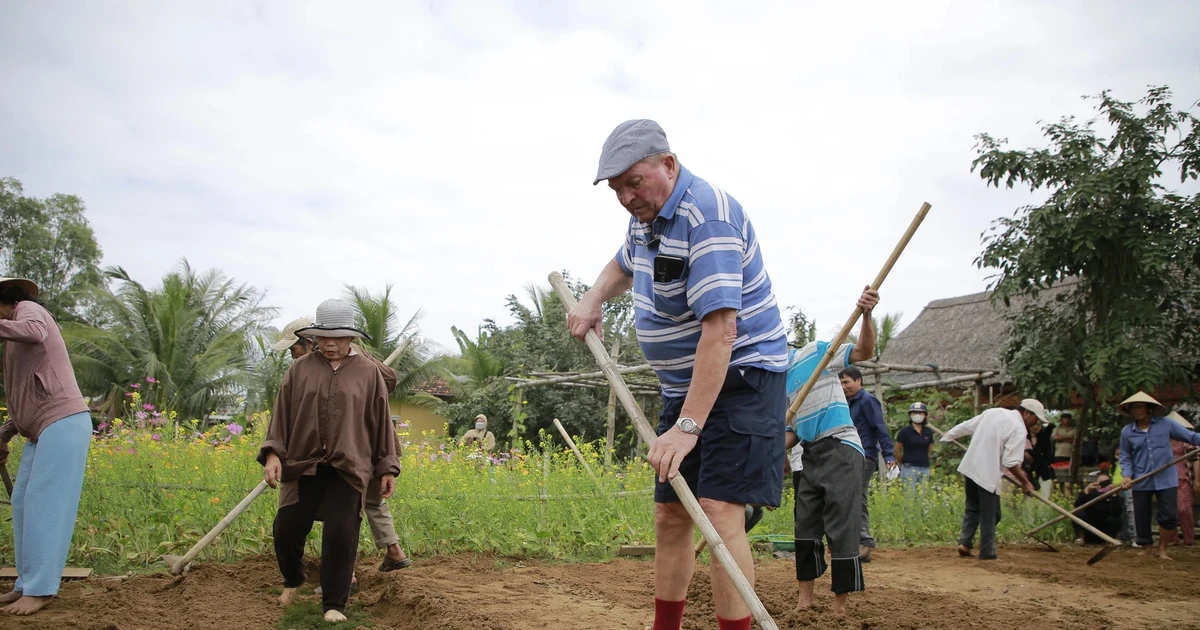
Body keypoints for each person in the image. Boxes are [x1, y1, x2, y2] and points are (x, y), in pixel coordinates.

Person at [568, 119, 788, 630]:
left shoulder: (706, 216)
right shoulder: (648, 216)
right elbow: (625, 262)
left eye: (633, 182)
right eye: (616, 189)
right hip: (687, 384)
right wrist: (594, 295)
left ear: (668, 165)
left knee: (717, 511)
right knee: (670, 514)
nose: (625, 197)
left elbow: (721, 332)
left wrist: (687, 427)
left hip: (742, 378)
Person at [259, 299, 401, 623]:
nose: (331, 344)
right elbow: (281, 417)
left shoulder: (368, 373)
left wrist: (387, 467)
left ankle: (334, 603)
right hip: (304, 464)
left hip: (349, 467)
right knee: (286, 528)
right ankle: (294, 578)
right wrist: (272, 455)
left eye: (338, 337)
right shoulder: (299, 369)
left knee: (341, 534)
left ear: (352, 338)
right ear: (314, 337)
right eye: (324, 337)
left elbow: (380, 422)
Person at [0, 278, 92, 616]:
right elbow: (28, 394)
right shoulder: (11, 338)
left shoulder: (30, 311)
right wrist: (5, 432)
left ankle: (40, 589)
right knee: (23, 500)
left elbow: (36, 332)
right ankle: (25, 583)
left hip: (64, 422)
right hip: (42, 428)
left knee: (44, 502)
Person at [785, 287, 879, 617]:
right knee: (805, 527)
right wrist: (774, 453)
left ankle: (840, 607)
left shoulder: (815, 354)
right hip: (810, 454)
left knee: (841, 526)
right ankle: (805, 601)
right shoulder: (777, 383)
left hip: (841, 447)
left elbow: (865, 351)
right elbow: (793, 431)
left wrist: (866, 314)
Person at [940, 399, 1043, 560]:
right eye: (1036, 418)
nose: (1036, 423)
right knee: (990, 514)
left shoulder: (994, 412)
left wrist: (949, 435)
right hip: (988, 472)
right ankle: (987, 552)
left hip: (971, 465)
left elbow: (968, 425)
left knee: (974, 508)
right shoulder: (1019, 429)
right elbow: (1011, 462)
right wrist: (1025, 482)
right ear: (1028, 413)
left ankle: (965, 543)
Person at [1117, 391, 1200, 560]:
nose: (1136, 410)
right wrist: (1126, 476)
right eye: (1133, 408)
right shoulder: (1127, 432)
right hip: (1142, 478)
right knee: (1142, 515)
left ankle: (1162, 549)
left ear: (1149, 409)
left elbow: (1191, 437)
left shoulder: (1166, 424)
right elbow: (1125, 457)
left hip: (1166, 478)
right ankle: (1146, 548)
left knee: (1168, 515)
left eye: (1139, 406)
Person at [839, 365, 896, 562]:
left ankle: (865, 542)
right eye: (841, 383)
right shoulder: (849, 403)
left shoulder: (867, 400)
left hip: (865, 456)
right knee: (850, 497)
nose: (843, 386)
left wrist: (889, 455)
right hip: (851, 456)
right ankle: (856, 542)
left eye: (846, 382)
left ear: (859, 380)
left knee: (857, 497)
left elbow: (880, 428)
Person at [1167, 411, 1198, 546]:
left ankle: (1189, 537)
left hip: (1183, 476)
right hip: (1166, 477)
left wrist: (1197, 480)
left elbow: (1196, 459)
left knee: (1183, 509)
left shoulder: (1187, 442)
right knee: (1169, 509)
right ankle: (1172, 538)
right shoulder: (1162, 440)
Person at [1072, 473, 1124, 545]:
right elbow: (1077, 505)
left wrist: (1114, 494)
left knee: (1116, 518)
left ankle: (1111, 540)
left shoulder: (1113, 495)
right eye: (1100, 481)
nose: (1103, 484)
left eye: (1106, 482)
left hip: (1105, 528)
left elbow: (1117, 512)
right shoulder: (1091, 493)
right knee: (1077, 513)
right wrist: (1087, 490)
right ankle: (1081, 538)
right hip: (1090, 527)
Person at [894, 402, 935, 487]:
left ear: (925, 415)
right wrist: (902, 463)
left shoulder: (928, 432)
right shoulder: (904, 432)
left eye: (920, 413)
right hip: (909, 468)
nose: (917, 415)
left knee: (922, 497)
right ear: (910, 415)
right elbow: (897, 451)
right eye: (914, 413)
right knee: (909, 497)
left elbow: (930, 449)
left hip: (924, 468)